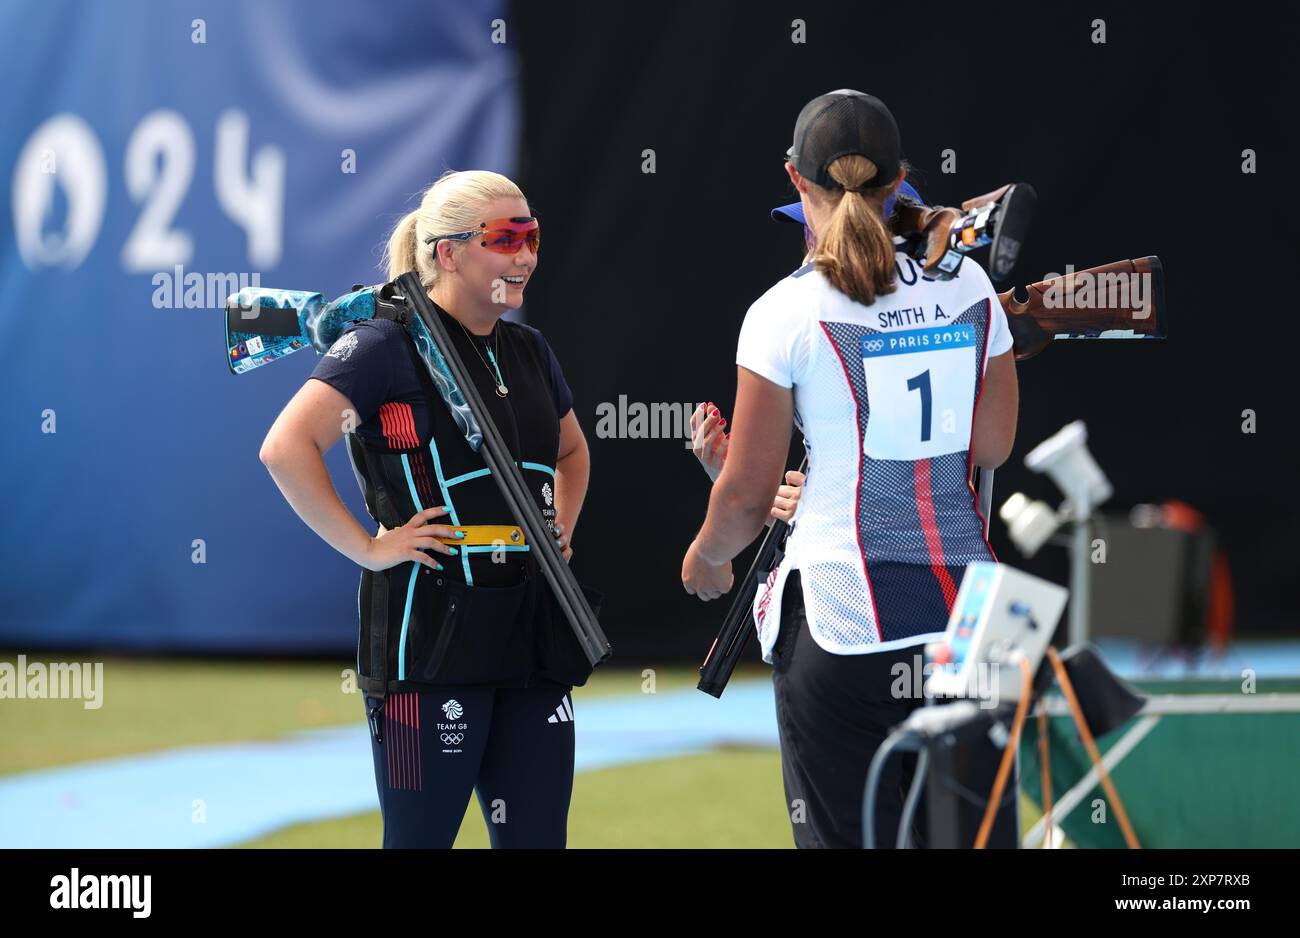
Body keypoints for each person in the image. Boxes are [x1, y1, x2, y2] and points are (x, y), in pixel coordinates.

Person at [681, 90, 1018, 848]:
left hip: (846, 618)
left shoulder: (784, 311)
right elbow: (990, 447)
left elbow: (747, 494)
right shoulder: (969, 285)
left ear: (796, 180)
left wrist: (706, 559)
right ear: (900, 180)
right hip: (968, 618)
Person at [258, 170, 591, 848]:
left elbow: (574, 454)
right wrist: (369, 548)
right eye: (505, 239)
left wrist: (559, 533)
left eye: (532, 236)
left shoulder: (529, 350)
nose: (525, 255)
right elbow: (285, 447)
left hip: (532, 629)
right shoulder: (383, 346)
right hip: (427, 638)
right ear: (447, 252)